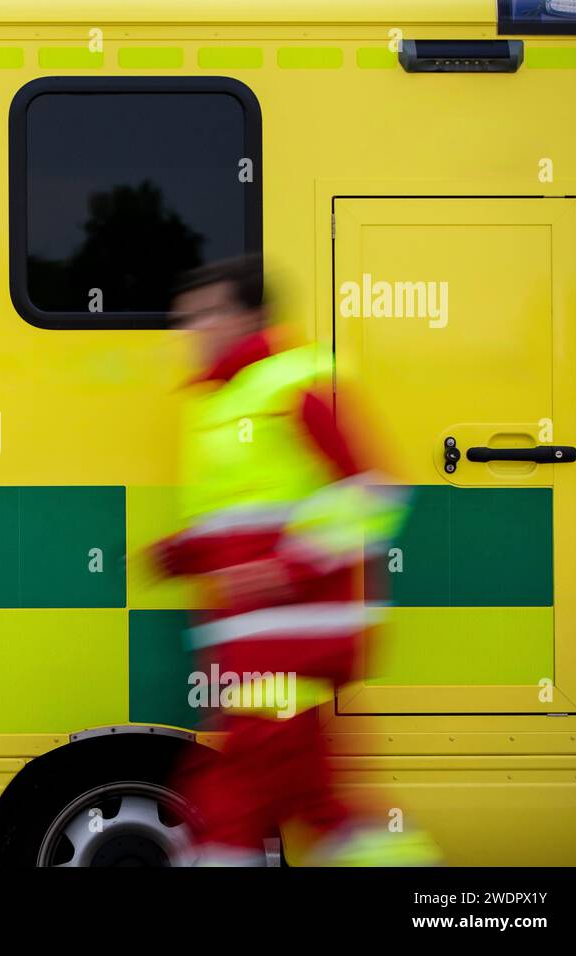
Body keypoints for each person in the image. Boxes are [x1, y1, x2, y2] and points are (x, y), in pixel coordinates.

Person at [153, 255, 437, 866]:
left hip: (289, 634)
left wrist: (291, 568)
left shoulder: (291, 383)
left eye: (208, 313)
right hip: (260, 635)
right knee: (315, 800)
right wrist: (182, 555)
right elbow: (240, 520)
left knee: (232, 797)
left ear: (250, 316)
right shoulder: (222, 402)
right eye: (186, 318)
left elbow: (372, 492)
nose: (192, 330)